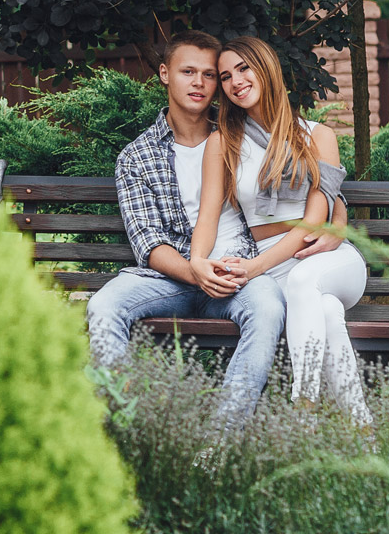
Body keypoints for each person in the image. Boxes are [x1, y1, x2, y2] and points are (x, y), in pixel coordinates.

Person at [85, 30, 286, 423]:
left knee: (267, 306)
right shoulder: (137, 156)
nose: (199, 83)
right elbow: (148, 242)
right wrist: (194, 270)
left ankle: (218, 445)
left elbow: (307, 180)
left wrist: (338, 207)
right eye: (187, 72)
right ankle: (128, 430)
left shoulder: (242, 136)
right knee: (104, 305)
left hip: (236, 271)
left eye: (210, 75)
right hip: (169, 279)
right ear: (164, 74)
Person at [190, 36, 372, 424]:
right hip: (276, 266)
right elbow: (207, 216)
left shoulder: (317, 136)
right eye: (225, 76)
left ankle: (302, 409)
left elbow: (313, 222)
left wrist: (253, 268)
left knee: (307, 279)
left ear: (267, 68)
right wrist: (197, 262)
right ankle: (363, 431)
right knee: (326, 312)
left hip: (327, 259)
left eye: (243, 68)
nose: (235, 81)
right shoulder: (224, 142)